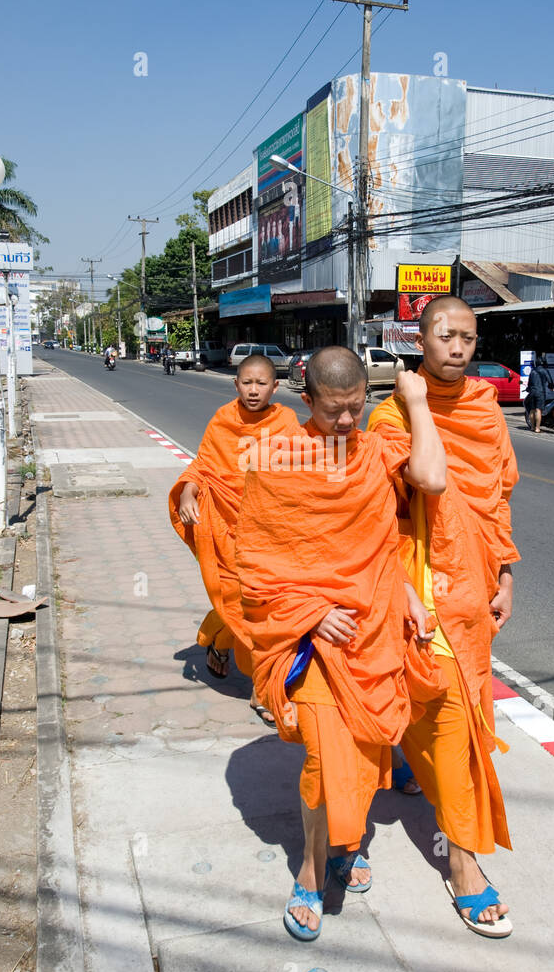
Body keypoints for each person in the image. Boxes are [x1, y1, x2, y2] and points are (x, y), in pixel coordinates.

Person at [235, 347, 447, 940]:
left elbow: (427, 483)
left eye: (357, 408)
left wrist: (415, 400)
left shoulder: (376, 452)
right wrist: (310, 611)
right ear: (306, 401)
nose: (348, 423)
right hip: (315, 640)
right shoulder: (279, 461)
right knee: (324, 759)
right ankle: (309, 866)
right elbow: (257, 562)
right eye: (334, 412)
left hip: (372, 630)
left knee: (360, 754)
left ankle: (346, 841)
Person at [369, 297, 519, 937]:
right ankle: (463, 865)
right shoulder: (391, 412)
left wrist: (507, 572)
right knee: (451, 724)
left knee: (456, 715)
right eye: (444, 336)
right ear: (419, 340)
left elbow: (497, 499)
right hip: (416, 590)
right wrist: (420, 404)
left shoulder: (486, 409)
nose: (457, 348)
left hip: (474, 595)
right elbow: (427, 481)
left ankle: (408, 766)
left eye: (467, 337)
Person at [169, 354, 302, 724]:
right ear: (236, 383)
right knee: (239, 603)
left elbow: (296, 475)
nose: (254, 390)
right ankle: (264, 690)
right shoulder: (224, 420)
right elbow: (204, 465)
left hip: (273, 532)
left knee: (267, 608)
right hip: (228, 529)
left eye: (262, 383)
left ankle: (222, 642)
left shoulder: (286, 421)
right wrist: (187, 492)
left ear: (275, 388)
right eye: (247, 382)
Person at [525, 356, 547, 432]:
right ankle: (537, 428)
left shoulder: (532, 372)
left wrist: (528, 389)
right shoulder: (545, 371)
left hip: (532, 392)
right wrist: (552, 387)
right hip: (540, 393)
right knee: (538, 410)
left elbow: (529, 384)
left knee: (532, 410)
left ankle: (532, 427)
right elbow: (550, 382)